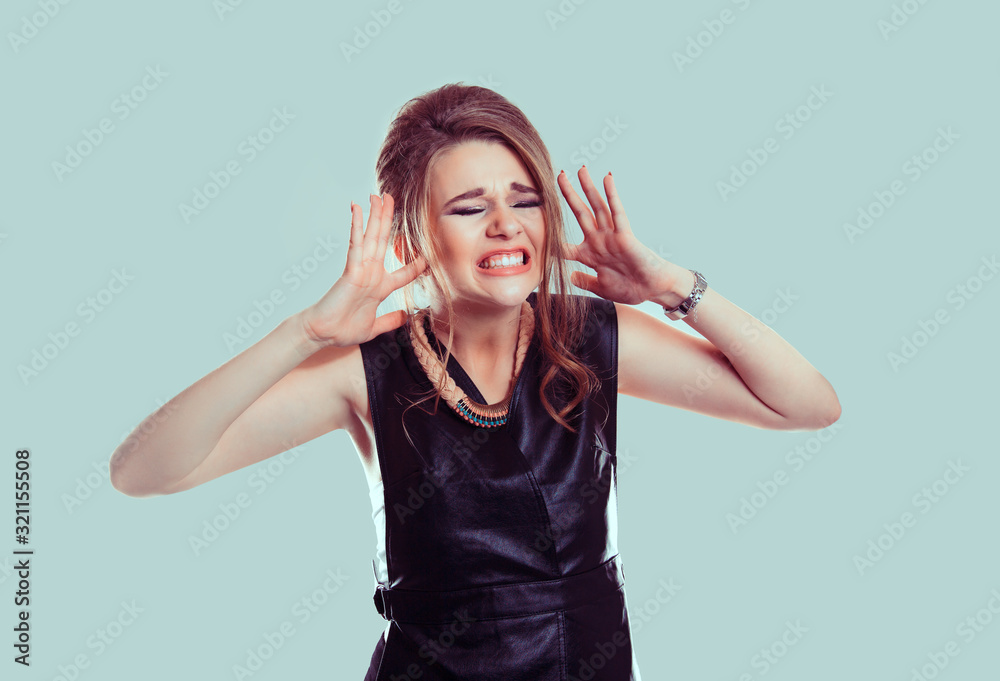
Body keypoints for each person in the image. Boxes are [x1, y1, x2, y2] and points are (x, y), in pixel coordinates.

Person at [109, 83, 840, 680]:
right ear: (412, 236)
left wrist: (673, 285)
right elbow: (143, 470)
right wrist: (305, 332)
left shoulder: (589, 336)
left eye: (524, 200)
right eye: (468, 207)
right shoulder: (369, 368)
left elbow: (808, 404)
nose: (505, 225)